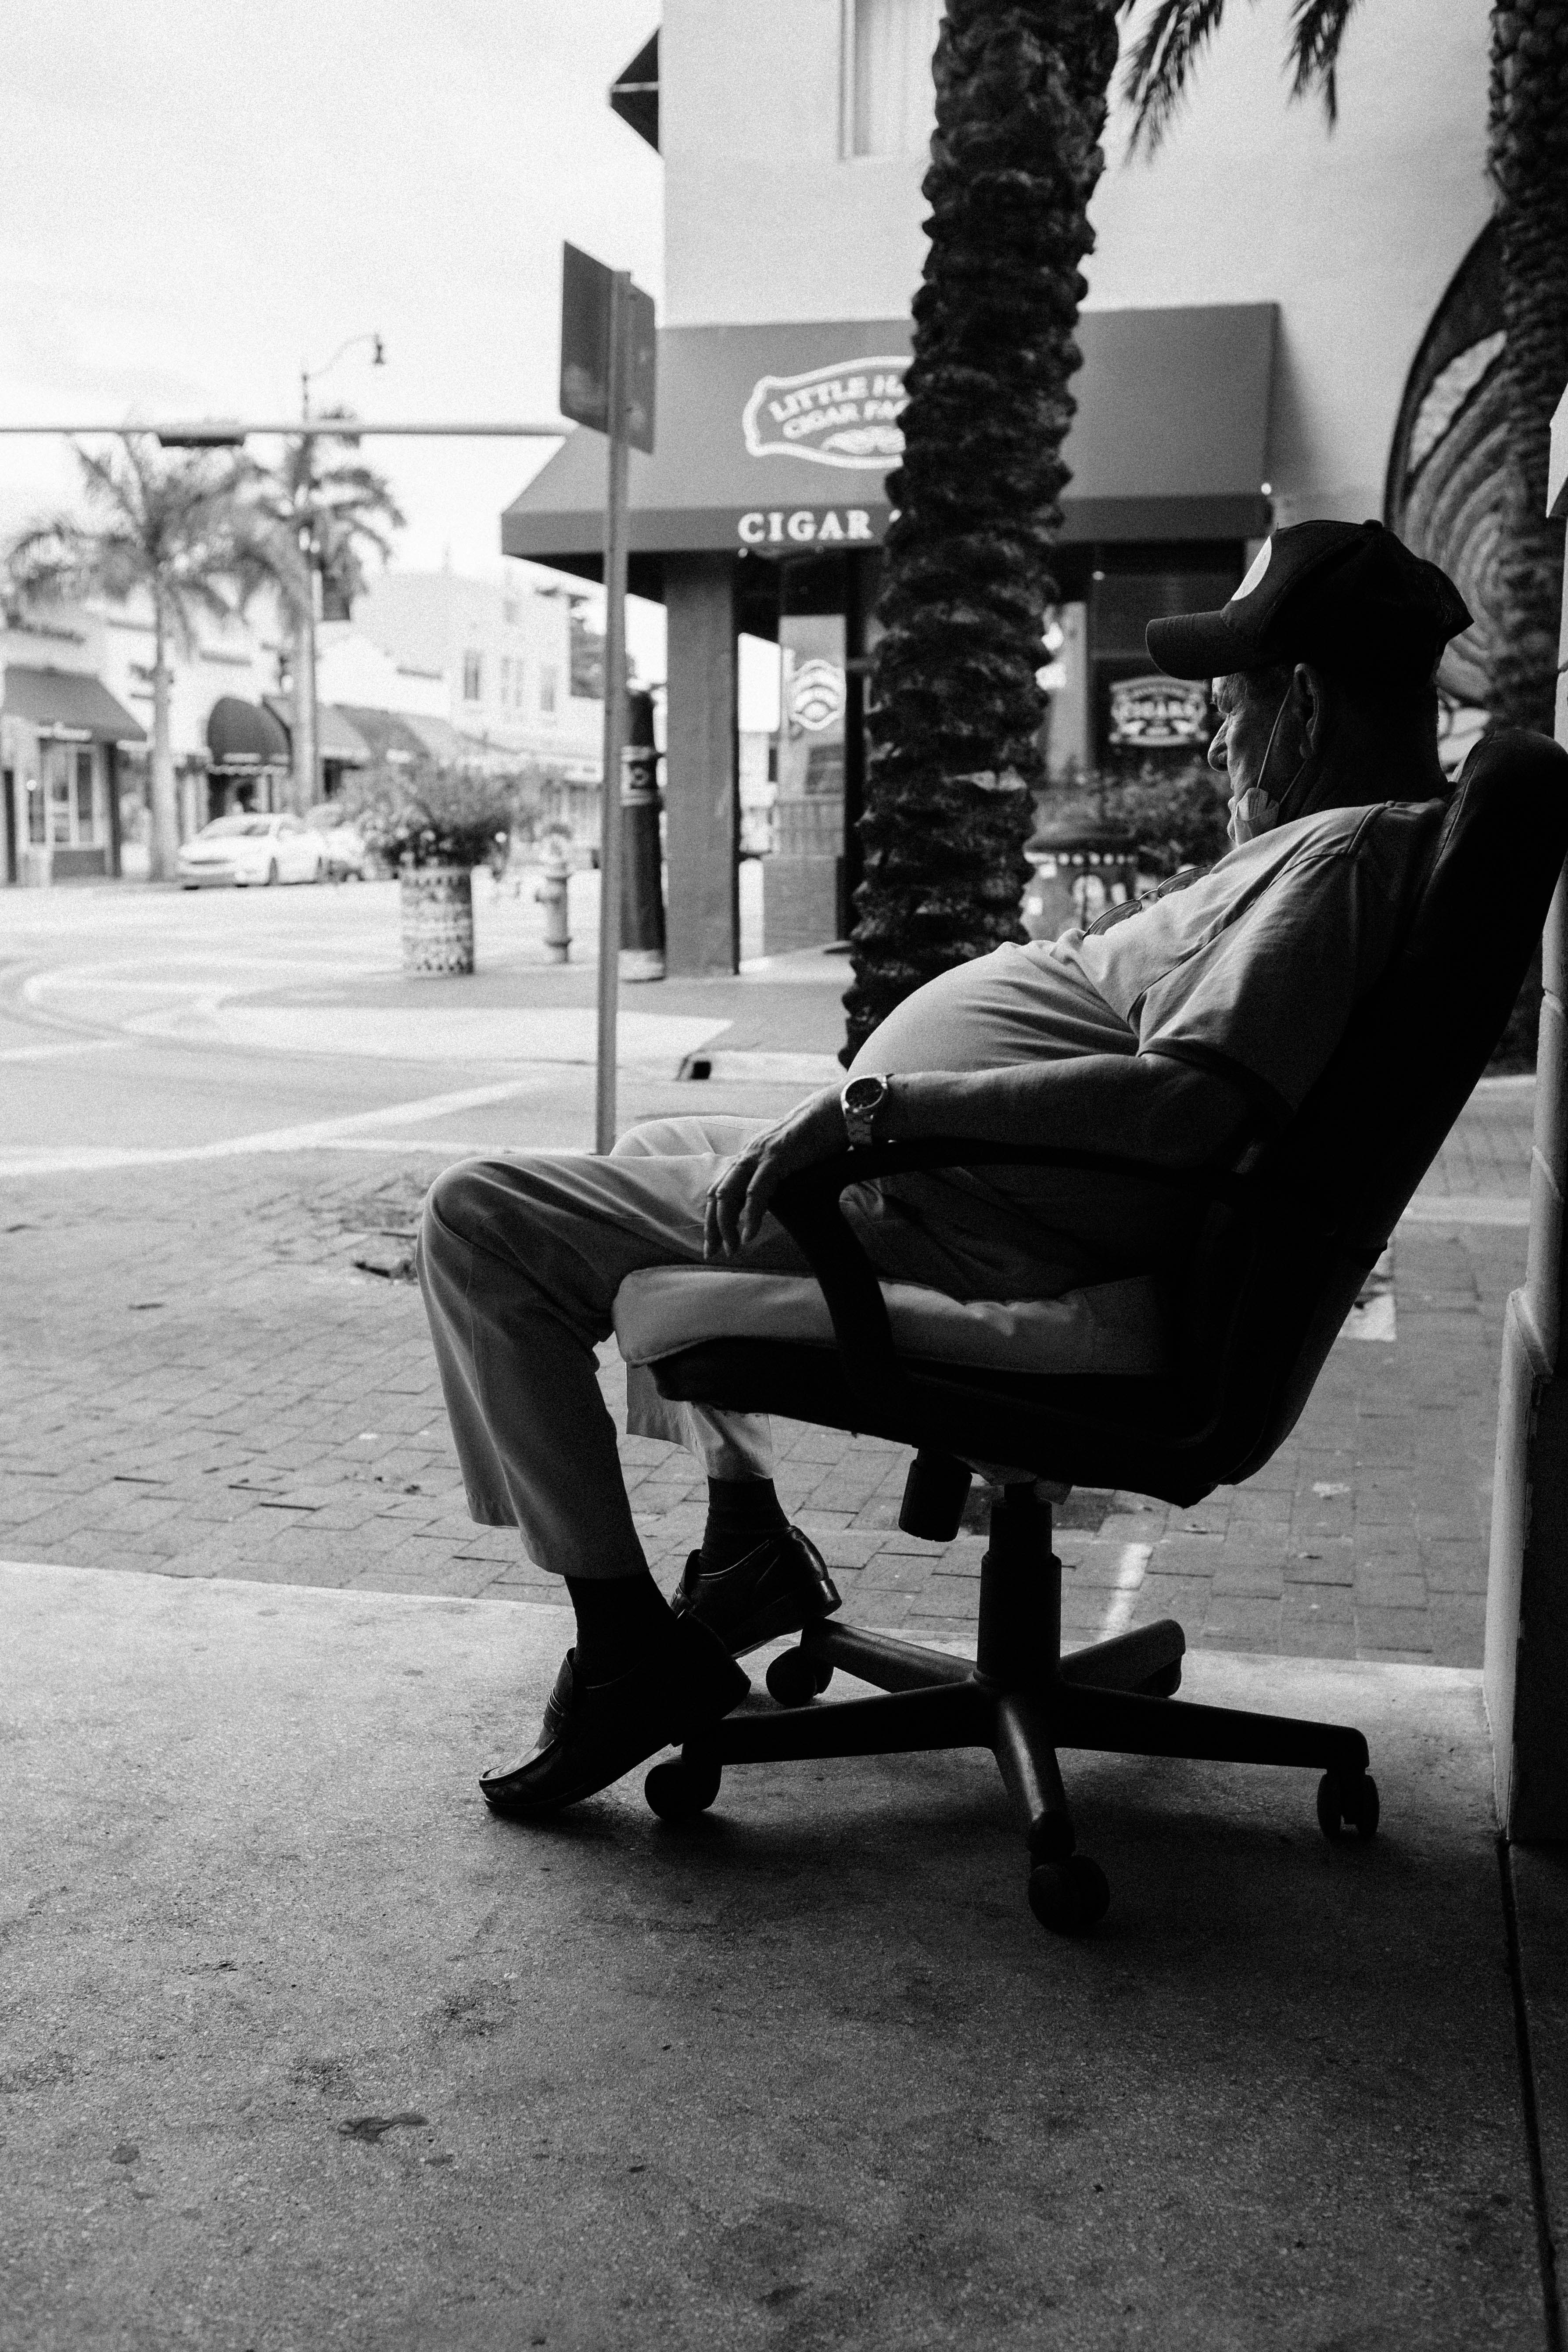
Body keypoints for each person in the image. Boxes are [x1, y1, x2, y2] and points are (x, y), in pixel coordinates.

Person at [418, 518, 1472, 1820]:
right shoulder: (1341, 847)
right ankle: (746, 1544)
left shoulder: (1345, 857)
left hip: (943, 1215)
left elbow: (1189, 1109)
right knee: (650, 1152)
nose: (1211, 740)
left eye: (1230, 705)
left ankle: (627, 1650)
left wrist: (878, 1114)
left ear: (1302, 705)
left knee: (478, 1220)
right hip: (943, 1194)